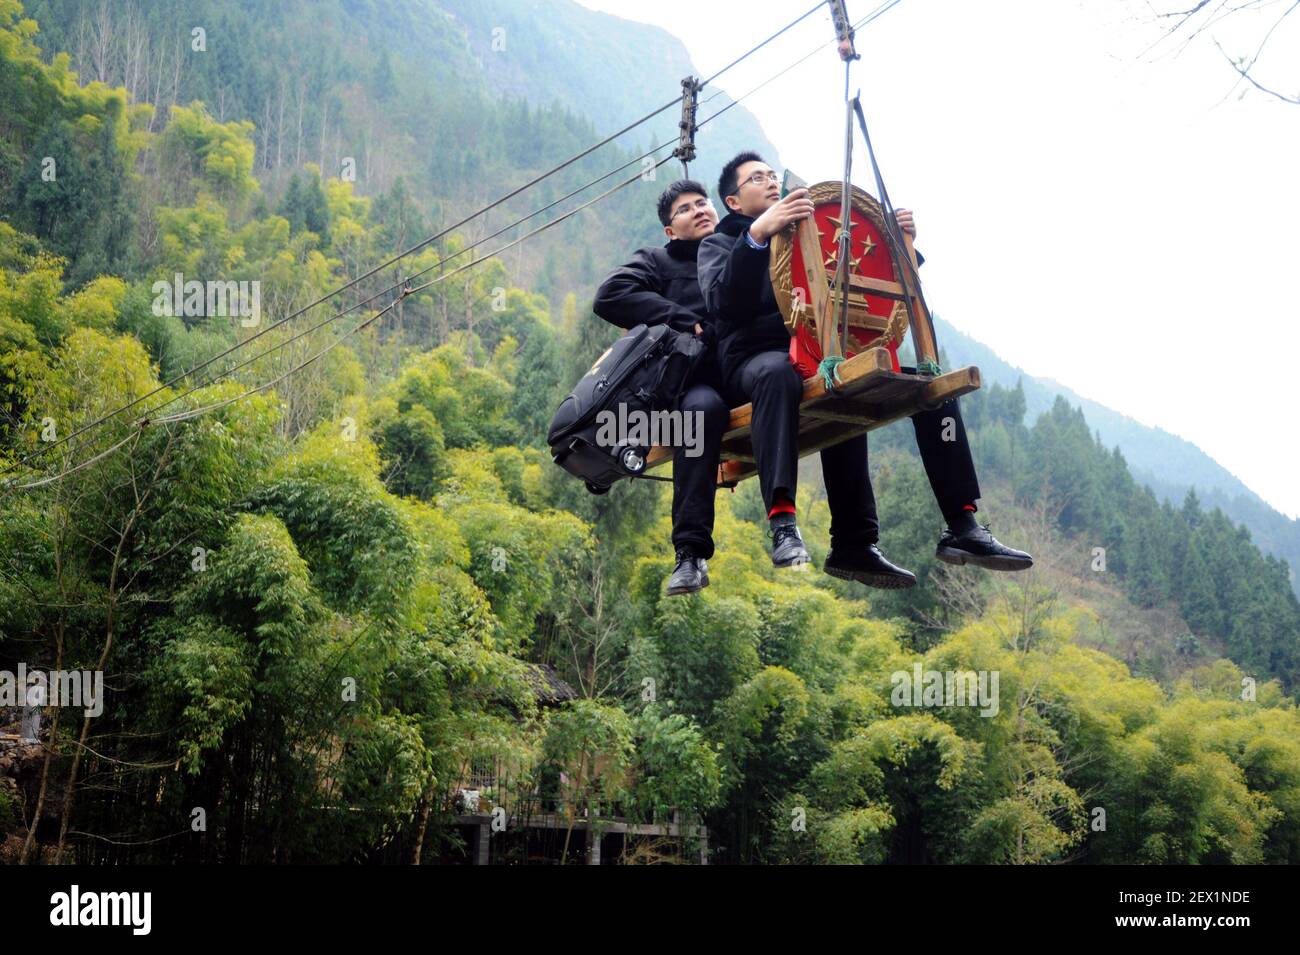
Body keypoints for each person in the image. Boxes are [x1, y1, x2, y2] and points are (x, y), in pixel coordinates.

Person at [697, 151, 1032, 588]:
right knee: (785, 375)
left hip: (827, 350)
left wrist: (896, 240)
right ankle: (783, 522)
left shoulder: (809, 228)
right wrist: (759, 234)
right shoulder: (721, 244)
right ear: (734, 202)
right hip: (757, 358)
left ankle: (959, 524)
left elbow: (860, 271)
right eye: (755, 178)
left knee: (930, 390)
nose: (769, 181)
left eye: (769, 174)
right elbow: (723, 303)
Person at [593, 179, 728, 596]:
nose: (700, 210)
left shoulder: (735, 252)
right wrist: (684, 319)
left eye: (703, 203)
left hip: (746, 368)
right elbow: (610, 295)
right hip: (693, 382)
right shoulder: (659, 261)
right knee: (698, 415)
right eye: (686, 209)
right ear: (670, 230)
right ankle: (689, 554)